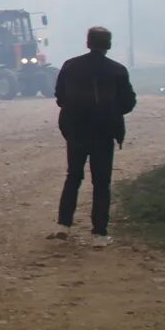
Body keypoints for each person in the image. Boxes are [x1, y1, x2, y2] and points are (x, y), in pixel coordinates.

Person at [54, 26, 136, 246]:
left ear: (88, 42)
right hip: (104, 132)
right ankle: (99, 234)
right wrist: (111, 110)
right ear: (108, 45)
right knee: (101, 182)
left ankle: (63, 225)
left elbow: (60, 97)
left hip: (76, 131)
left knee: (73, 176)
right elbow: (128, 103)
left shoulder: (70, 66)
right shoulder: (117, 70)